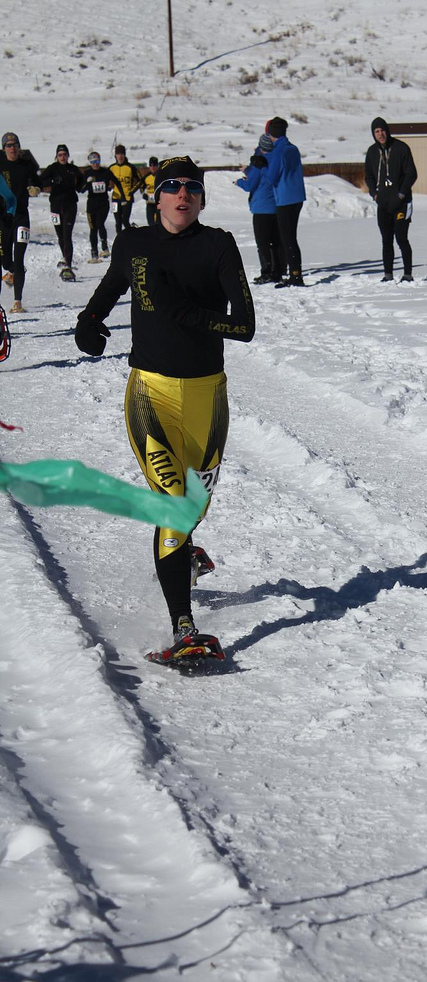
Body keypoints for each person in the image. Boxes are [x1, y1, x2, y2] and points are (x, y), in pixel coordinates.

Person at [74, 155, 255, 656]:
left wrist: (191, 315)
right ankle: (183, 631)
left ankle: (182, 553)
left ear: (201, 198)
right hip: (150, 393)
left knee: (191, 507)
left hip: (207, 398)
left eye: (193, 189)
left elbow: (244, 325)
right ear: (157, 195)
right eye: (173, 187)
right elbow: (113, 284)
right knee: (173, 503)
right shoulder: (135, 243)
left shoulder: (217, 245)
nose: (183, 196)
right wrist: (90, 318)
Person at [364, 117, 418, 282]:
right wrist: (374, 194)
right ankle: (388, 274)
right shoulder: (372, 152)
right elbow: (369, 176)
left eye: (382, 130)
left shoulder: (401, 148)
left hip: (401, 202)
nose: (380, 134)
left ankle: (407, 274)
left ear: (387, 130)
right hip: (383, 203)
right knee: (386, 239)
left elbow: (411, 174)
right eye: (377, 132)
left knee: (401, 238)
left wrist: (401, 194)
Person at [0, 131, 41, 313]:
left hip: (22, 216)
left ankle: (17, 302)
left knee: (19, 258)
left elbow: (38, 180)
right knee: (6, 260)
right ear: (4, 148)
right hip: (4, 218)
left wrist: (35, 187)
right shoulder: (0, 163)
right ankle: (11, 270)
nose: (12, 149)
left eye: (15, 145)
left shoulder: (26, 165)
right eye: (9, 146)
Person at [235, 134, 283, 284]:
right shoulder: (274, 162)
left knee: (262, 243)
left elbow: (251, 185)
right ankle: (277, 271)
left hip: (261, 208)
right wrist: (248, 171)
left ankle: (266, 271)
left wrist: (238, 182)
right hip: (275, 207)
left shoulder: (257, 163)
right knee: (275, 241)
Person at [264, 117, 306, 287]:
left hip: (284, 198)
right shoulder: (292, 148)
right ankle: (295, 273)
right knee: (291, 237)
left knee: (287, 238)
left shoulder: (277, 152)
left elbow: (271, 177)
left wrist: (262, 166)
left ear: (271, 134)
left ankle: (296, 276)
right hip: (297, 196)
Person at [40, 144, 86, 278]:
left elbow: (81, 181)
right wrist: (53, 181)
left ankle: (68, 266)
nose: (62, 157)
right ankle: (65, 259)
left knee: (67, 235)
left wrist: (80, 187)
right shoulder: (52, 168)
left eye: (65, 154)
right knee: (60, 235)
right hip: (55, 205)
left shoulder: (73, 169)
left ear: (68, 156)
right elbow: (41, 181)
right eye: (60, 155)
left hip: (70, 204)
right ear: (56, 156)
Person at [81, 151, 116, 262]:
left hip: (103, 203)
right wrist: (87, 184)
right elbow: (80, 189)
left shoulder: (105, 172)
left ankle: (105, 247)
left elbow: (116, 182)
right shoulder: (87, 173)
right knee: (93, 229)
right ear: (90, 162)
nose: (95, 164)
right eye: (93, 162)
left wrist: (112, 188)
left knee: (100, 223)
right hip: (91, 205)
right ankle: (94, 252)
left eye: (97, 161)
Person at [109, 144, 142, 233]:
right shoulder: (112, 168)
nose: (120, 156)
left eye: (122, 154)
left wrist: (132, 191)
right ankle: (119, 242)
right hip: (115, 199)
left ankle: (130, 238)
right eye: (118, 154)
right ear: (115, 155)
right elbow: (105, 179)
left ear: (125, 155)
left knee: (125, 220)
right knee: (117, 222)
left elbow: (140, 181)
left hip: (127, 198)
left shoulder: (130, 167)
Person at [142, 155, 159, 226]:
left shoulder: (161, 176)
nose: (153, 167)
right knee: (150, 222)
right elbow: (141, 188)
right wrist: (144, 195)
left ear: (157, 166)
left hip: (159, 203)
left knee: (158, 222)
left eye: (154, 165)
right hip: (150, 203)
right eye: (151, 165)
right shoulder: (146, 177)